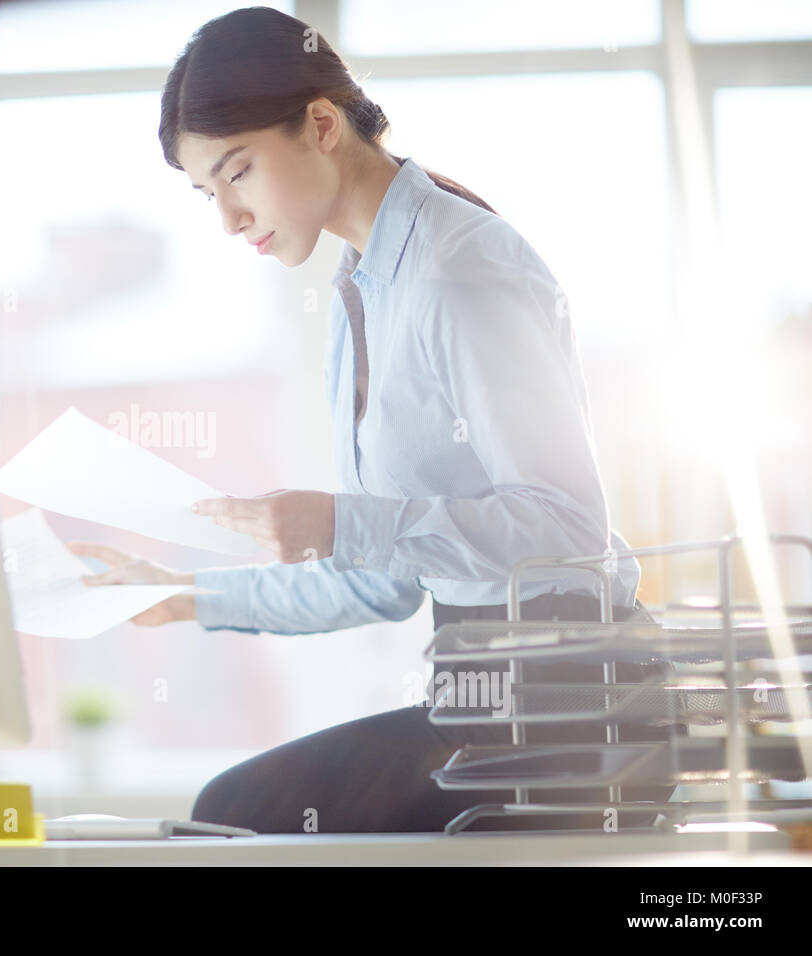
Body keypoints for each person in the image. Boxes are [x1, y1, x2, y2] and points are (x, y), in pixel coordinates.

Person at [69, 6, 679, 833]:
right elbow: (380, 581)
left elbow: (568, 529)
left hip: (579, 711)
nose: (228, 218)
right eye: (209, 192)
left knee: (235, 814)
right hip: (488, 697)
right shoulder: (359, 295)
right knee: (231, 815)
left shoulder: (460, 267)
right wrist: (180, 594)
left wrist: (342, 521)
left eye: (238, 172)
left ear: (322, 125)